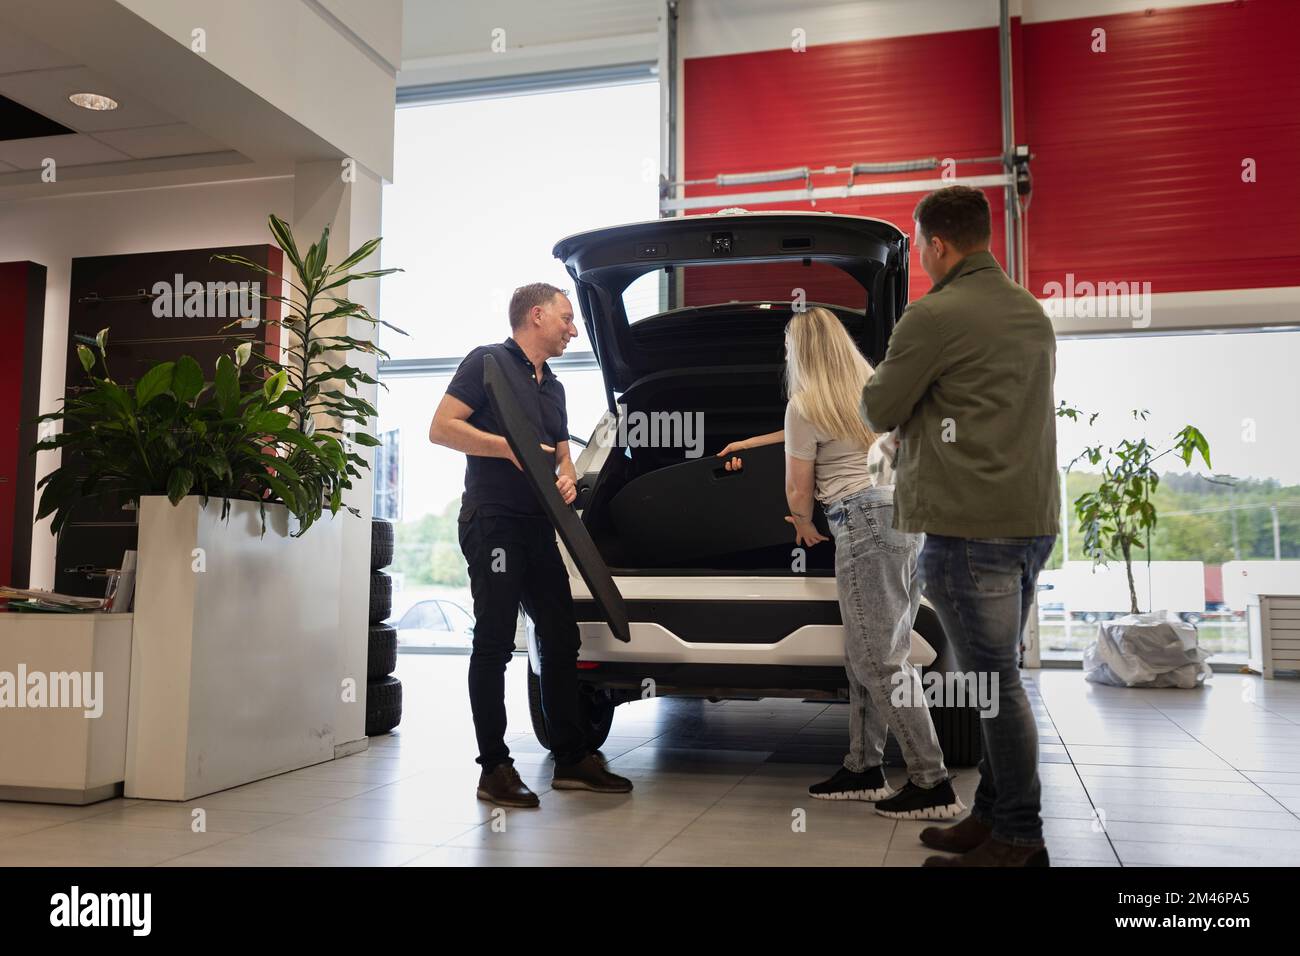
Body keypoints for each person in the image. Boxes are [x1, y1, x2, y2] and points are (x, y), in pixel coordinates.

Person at [860, 186, 1059, 867]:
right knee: (999, 676)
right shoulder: (1029, 310)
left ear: (938, 245)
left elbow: (879, 405)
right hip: (1030, 521)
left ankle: (1019, 837)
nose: (919, 256)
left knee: (993, 684)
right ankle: (994, 815)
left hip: (968, 529)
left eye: (919, 245)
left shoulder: (934, 315)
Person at [717, 306, 963, 820]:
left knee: (880, 660)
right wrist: (751, 443)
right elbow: (824, 435)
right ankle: (863, 769)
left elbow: (796, 485)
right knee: (867, 655)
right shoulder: (874, 388)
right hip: (903, 517)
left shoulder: (804, 402)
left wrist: (802, 522)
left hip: (862, 520)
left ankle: (931, 781)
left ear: (800, 353)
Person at [429, 282, 633, 807]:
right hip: (492, 522)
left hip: (540, 525)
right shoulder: (487, 363)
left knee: (560, 638)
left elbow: (562, 455)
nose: (573, 328)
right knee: (495, 642)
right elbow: (441, 428)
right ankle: (494, 768)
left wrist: (566, 476)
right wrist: (508, 448)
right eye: (566, 318)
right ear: (536, 316)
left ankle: (571, 758)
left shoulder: (555, 387)